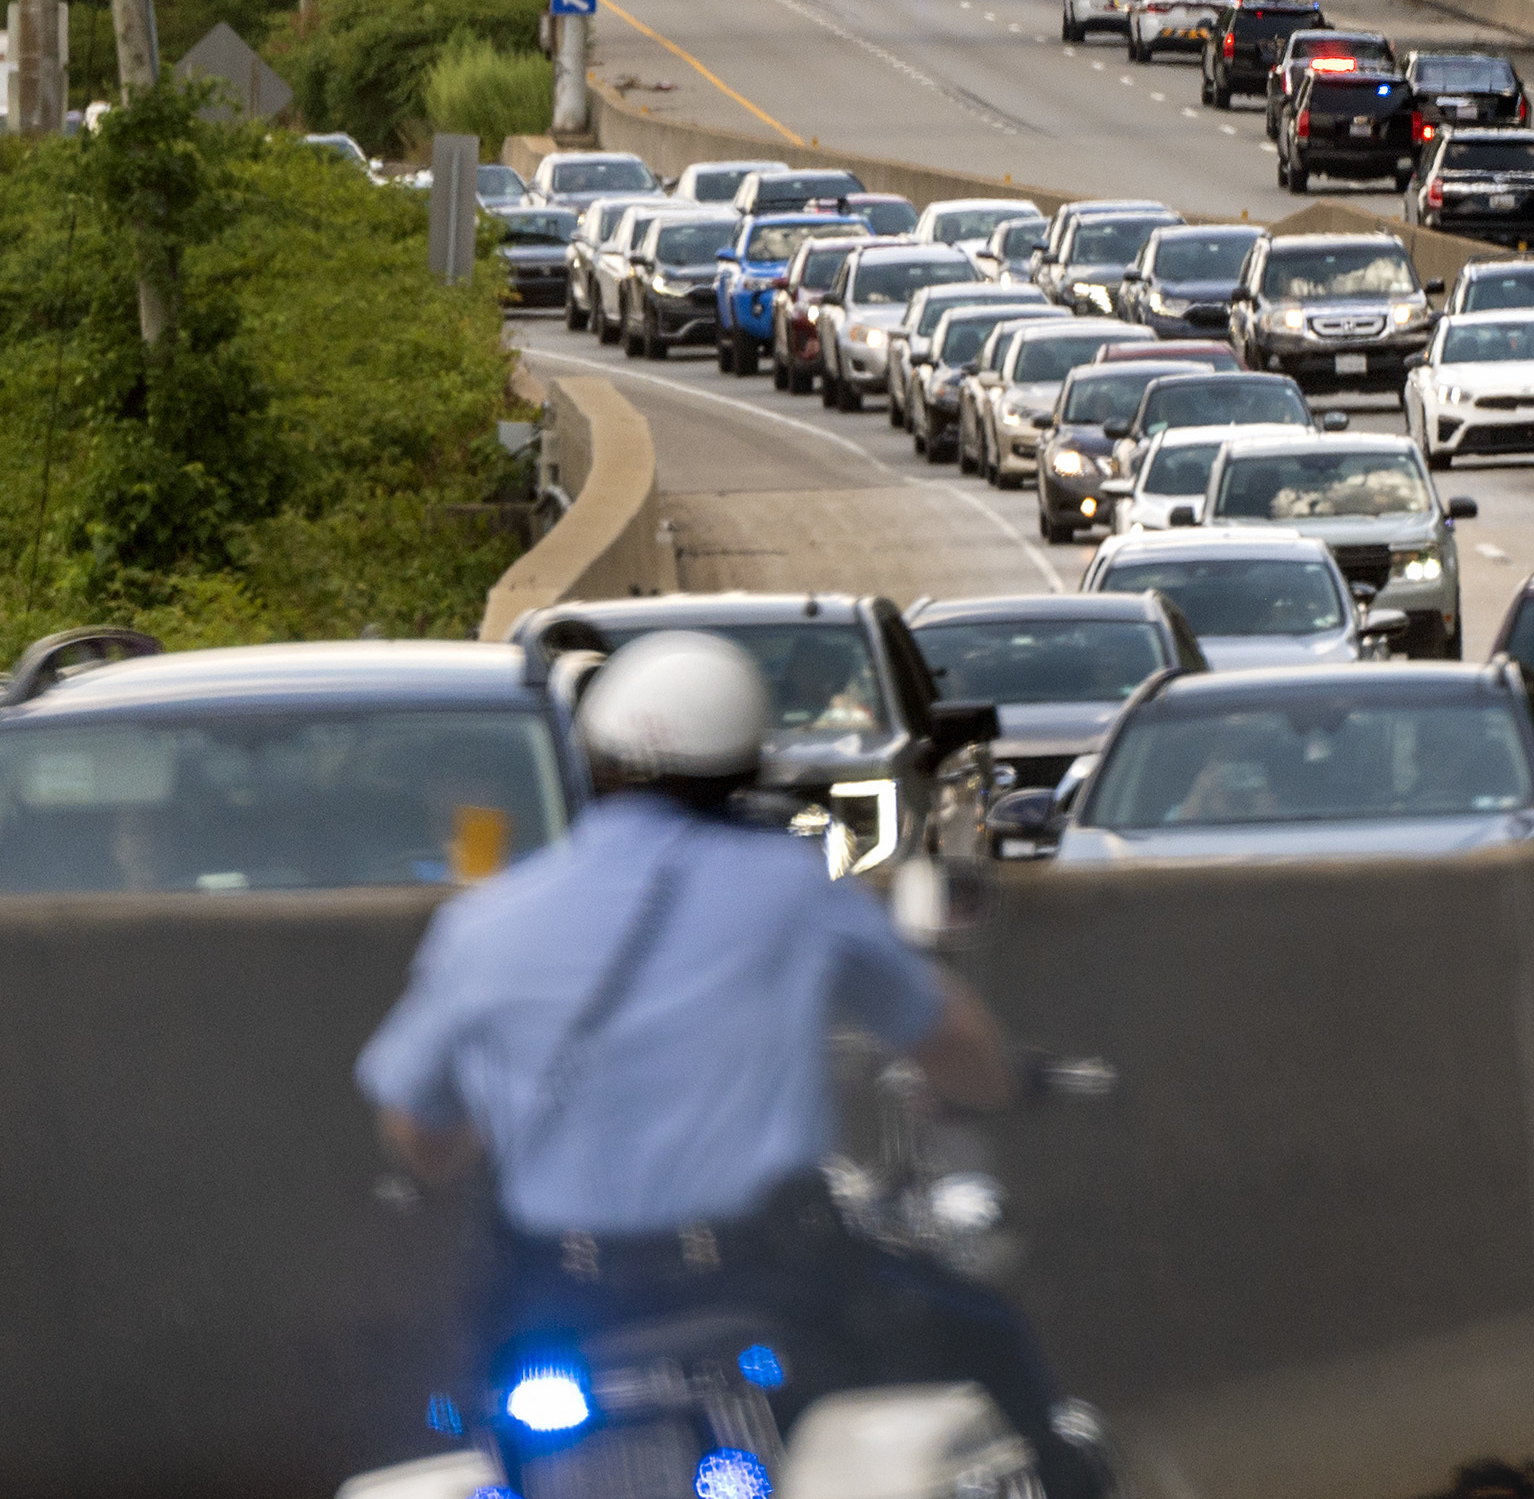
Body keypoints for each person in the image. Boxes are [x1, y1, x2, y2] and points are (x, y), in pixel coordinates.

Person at [356, 631, 1101, 1499]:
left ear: (591, 762)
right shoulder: (791, 890)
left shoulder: (484, 922)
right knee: (985, 1341)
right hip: (764, 1283)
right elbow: (950, 1041)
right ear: (746, 768)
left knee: (458, 1423)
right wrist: (1004, 1085)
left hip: (554, 1303)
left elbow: (419, 1138)